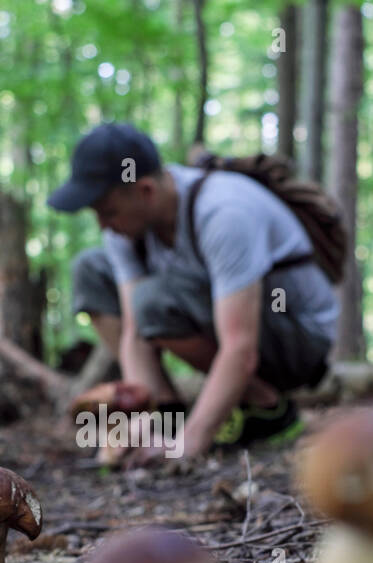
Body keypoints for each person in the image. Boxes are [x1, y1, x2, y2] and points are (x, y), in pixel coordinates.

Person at [48, 122, 339, 466]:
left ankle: (269, 408)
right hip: (231, 323)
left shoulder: (224, 213)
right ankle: (167, 413)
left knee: (153, 301)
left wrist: (187, 446)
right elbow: (133, 331)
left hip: (297, 339)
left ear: (145, 191)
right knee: (91, 270)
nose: (102, 225)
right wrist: (145, 418)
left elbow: (240, 349)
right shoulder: (125, 230)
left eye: (108, 212)